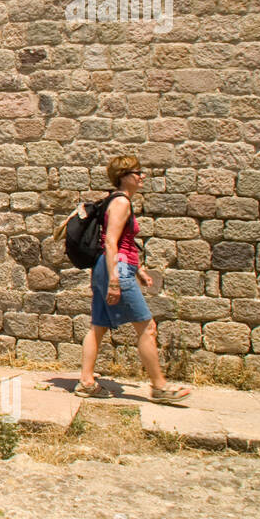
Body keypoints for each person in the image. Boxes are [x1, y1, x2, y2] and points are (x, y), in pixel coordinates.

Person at [77, 155, 192, 404]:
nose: (142, 176)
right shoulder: (121, 203)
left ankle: (86, 382)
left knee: (98, 326)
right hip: (115, 269)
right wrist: (116, 280)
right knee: (147, 327)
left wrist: (138, 269)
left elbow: (122, 242)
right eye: (137, 172)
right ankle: (160, 387)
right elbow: (110, 241)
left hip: (109, 267)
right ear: (124, 176)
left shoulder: (117, 201)